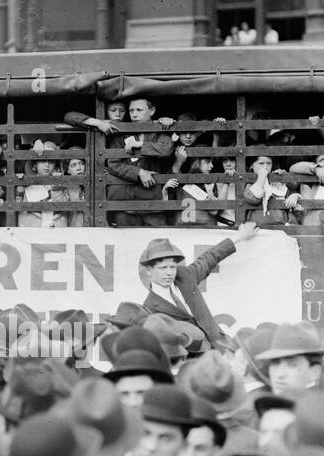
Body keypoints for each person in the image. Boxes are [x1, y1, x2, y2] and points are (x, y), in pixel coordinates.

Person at [139, 220, 259, 350]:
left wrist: (239, 237)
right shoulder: (150, 308)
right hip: (194, 359)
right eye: (163, 268)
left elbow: (209, 258)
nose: (169, 273)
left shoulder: (184, 275)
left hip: (222, 347)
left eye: (172, 267)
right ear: (149, 270)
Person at [105, 97, 176, 227]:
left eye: (139, 110)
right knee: (127, 245)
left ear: (152, 111)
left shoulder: (159, 131)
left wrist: (140, 145)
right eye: (131, 110)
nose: (134, 114)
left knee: (158, 243)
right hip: (126, 204)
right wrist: (139, 172)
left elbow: (166, 149)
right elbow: (113, 164)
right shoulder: (121, 134)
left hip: (153, 203)